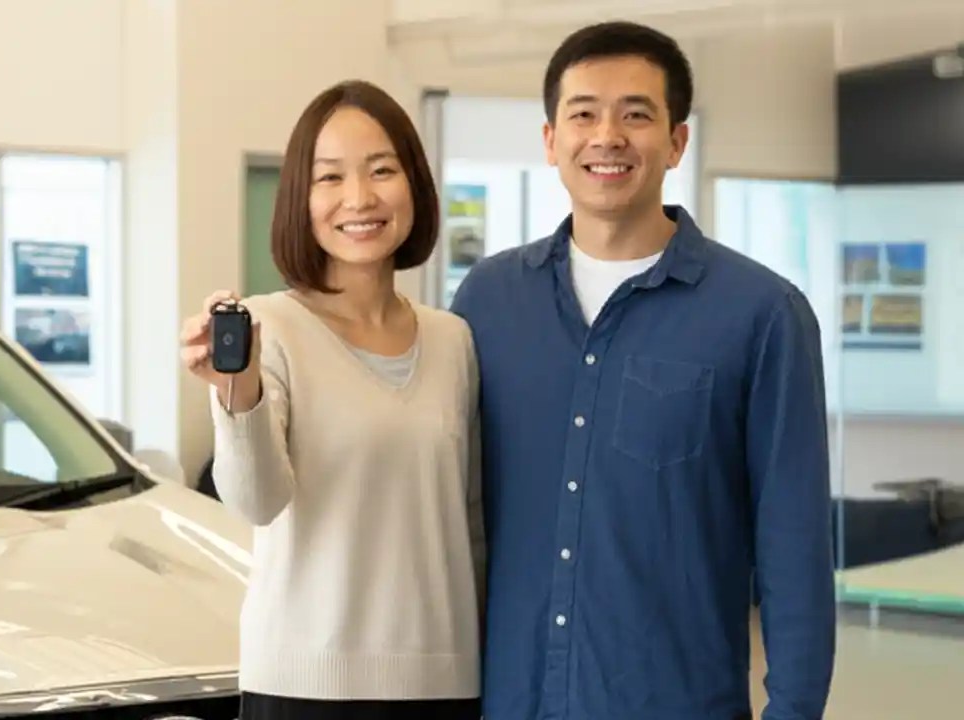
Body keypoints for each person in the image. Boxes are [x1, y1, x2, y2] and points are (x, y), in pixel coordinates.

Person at [450, 21, 835, 720]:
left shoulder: (761, 314)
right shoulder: (487, 302)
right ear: (550, 141)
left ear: (677, 140)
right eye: (584, 114)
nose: (607, 136)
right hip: (513, 702)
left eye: (636, 114)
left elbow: (795, 545)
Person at [178, 79, 485, 720]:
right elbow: (257, 500)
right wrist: (237, 389)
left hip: (443, 682)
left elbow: (472, 524)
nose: (360, 199)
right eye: (330, 178)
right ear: (301, 197)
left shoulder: (453, 339)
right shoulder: (271, 327)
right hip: (304, 684)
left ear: (415, 187)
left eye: (381, 170)